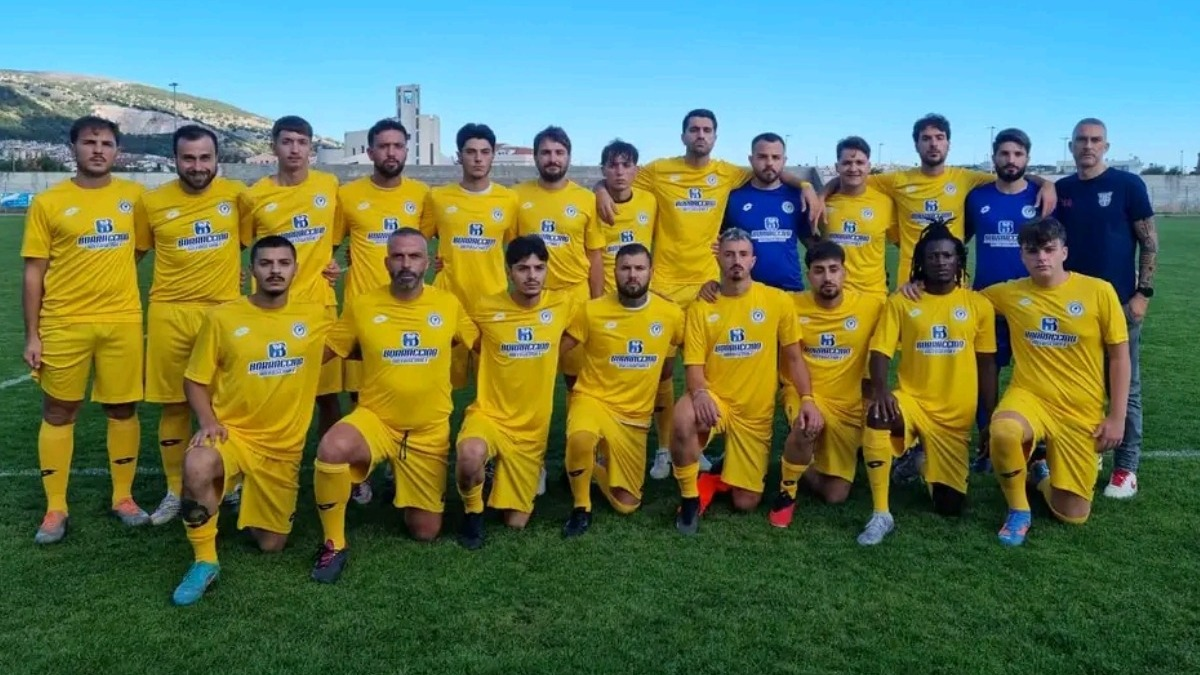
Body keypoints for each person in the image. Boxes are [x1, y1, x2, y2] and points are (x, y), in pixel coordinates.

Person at [594, 109, 821, 481]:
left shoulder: (728, 172)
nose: (700, 135)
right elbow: (620, 176)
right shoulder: (659, 170)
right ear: (683, 135)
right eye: (694, 129)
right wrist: (600, 188)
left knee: (711, 369)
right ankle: (665, 449)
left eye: (707, 130)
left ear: (715, 136)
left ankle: (699, 440)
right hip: (664, 286)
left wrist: (807, 186)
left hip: (707, 287)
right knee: (661, 370)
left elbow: (774, 170)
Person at [171, 235, 332, 606]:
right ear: (251, 271)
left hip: (283, 449)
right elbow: (194, 380)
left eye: (283, 263)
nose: (275, 270)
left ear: (295, 269)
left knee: (271, 545)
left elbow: (359, 339)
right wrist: (208, 420)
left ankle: (240, 496)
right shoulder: (223, 317)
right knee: (197, 463)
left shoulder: (316, 316)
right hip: (234, 435)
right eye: (266, 264)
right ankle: (204, 560)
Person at [310, 228, 477, 581]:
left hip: (428, 429)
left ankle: (404, 483)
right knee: (332, 446)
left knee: (425, 531)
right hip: (377, 421)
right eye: (398, 256)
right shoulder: (362, 304)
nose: (406, 264)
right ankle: (334, 543)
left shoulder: (447, 304)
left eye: (414, 256)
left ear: (428, 263)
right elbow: (327, 351)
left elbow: (483, 345)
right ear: (386, 262)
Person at [22, 116, 149, 544]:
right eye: (90, 142)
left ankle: (123, 498)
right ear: (73, 148)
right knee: (60, 411)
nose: (98, 150)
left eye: (107, 143)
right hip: (63, 322)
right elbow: (33, 272)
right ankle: (55, 508)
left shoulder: (135, 197)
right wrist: (33, 334)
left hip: (123, 322)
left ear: (118, 150)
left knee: (122, 409)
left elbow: (150, 246)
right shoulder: (49, 202)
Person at [982, 218, 1130, 545]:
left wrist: (1117, 417)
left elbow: (1119, 357)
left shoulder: (1099, 291)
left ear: (1064, 251)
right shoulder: (1009, 293)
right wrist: (918, 286)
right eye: (1032, 251)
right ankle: (1018, 509)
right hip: (1029, 396)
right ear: (1022, 255)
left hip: (1080, 408)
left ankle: (1041, 475)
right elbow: (959, 301)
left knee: (1072, 513)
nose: (1042, 258)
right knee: (1004, 431)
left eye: (1049, 249)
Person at [670, 228, 822, 535]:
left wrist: (807, 398)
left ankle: (715, 477)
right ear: (719, 258)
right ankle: (689, 498)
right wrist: (699, 393)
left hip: (754, 412)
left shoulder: (777, 301)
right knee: (682, 417)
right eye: (728, 254)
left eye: (742, 254)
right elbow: (694, 364)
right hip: (715, 401)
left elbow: (793, 358)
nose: (736, 261)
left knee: (746, 502)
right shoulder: (701, 308)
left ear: (753, 260)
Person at [857, 222, 997, 546]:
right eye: (933, 256)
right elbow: (880, 351)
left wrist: (987, 419)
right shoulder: (902, 302)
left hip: (955, 416)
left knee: (950, 507)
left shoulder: (978, 306)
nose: (941, 262)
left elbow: (987, 364)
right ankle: (881, 513)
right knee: (878, 414)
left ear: (959, 260)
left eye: (948, 255)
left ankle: (918, 462)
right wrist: (879, 389)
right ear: (922, 260)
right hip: (913, 401)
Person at [134, 124, 246, 526]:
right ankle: (173, 487)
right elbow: (133, 254)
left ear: (217, 159)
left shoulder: (236, 197)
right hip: (170, 311)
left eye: (205, 158)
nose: (198, 166)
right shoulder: (151, 202)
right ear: (174, 159)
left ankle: (229, 484)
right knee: (174, 403)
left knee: (225, 402)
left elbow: (255, 244)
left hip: (224, 312)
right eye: (189, 158)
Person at [1052, 117, 1157, 499]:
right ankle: (1087, 451)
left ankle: (1126, 469)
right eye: (1081, 140)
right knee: (1078, 385)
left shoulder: (1128, 185)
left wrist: (1143, 293)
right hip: (1073, 310)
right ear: (1071, 146)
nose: (1088, 146)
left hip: (1119, 307)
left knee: (1125, 389)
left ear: (1106, 147)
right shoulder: (1062, 189)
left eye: (1096, 140)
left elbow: (1149, 241)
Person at [453, 235, 580, 550]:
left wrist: (551, 354)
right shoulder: (486, 306)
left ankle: (507, 470)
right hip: (490, 414)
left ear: (547, 269)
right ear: (509, 272)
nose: (532, 275)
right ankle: (472, 514)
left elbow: (581, 330)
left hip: (531, 427)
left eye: (539, 268)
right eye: (523, 268)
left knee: (515, 523)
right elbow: (470, 337)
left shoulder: (563, 304)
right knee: (469, 456)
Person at [823, 113, 1055, 278]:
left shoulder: (966, 178)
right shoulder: (896, 180)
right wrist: (820, 193)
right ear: (916, 145)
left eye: (939, 137)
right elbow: (851, 177)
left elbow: (1010, 175)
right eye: (926, 138)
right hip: (911, 277)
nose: (933, 144)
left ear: (949, 144)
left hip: (953, 275)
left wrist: (1045, 183)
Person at [560, 243, 684, 537]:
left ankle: (588, 467)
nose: (632, 275)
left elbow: (694, 351)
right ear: (613, 272)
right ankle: (581, 507)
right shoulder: (591, 311)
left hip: (633, 418)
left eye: (639, 268)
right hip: (593, 400)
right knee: (580, 438)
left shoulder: (671, 314)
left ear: (651, 272)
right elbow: (555, 349)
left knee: (626, 504)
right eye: (625, 268)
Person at [238, 115, 344, 437]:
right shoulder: (255, 196)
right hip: (271, 309)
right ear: (274, 146)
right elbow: (239, 243)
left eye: (302, 142)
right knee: (266, 391)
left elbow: (336, 235)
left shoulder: (328, 186)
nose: (295, 149)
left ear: (311, 148)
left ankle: (334, 466)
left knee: (326, 396)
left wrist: (332, 262)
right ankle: (259, 459)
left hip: (319, 305)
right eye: (287, 142)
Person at [767, 241, 885, 527]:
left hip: (847, 403)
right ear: (809, 276)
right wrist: (712, 285)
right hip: (804, 393)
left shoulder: (872, 306)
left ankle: (799, 458)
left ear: (845, 273)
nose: (827, 277)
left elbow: (907, 311)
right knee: (806, 426)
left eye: (834, 269)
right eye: (819, 271)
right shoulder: (789, 304)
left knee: (835, 495)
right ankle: (787, 490)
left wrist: (914, 285)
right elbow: (744, 299)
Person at [419, 123, 519, 390]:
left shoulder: (508, 199)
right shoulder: (438, 197)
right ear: (459, 155)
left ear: (493, 155)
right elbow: (417, 241)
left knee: (495, 386)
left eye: (485, 152)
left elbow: (518, 249)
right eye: (471, 151)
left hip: (493, 302)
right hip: (449, 301)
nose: (478, 158)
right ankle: (436, 433)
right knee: (439, 385)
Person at [962, 128, 1040, 468]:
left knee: (1034, 373)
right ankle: (987, 441)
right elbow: (957, 242)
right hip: (987, 302)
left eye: (1018, 154)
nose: (1011, 160)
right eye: (1005, 154)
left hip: (1031, 304)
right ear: (994, 157)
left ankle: (1036, 444)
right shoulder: (977, 197)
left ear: (1027, 159)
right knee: (986, 372)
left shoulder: (1041, 196)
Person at [336, 118, 430, 399]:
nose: (391, 153)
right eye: (384, 146)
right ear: (370, 152)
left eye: (398, 146)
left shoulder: (422, 194)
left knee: (409, 390)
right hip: (363, 307)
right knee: (361, 394)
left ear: (406, 150)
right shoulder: (347, 195)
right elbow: (328, 243)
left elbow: (425, 245)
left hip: (408, 308)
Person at [718, 133, 811, 294]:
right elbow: (718, 244)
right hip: (745, 292)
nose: (769, 163)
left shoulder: (797, 197)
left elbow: (812, 244)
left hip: (790, 292)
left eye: (776, 157)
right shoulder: (733, 198)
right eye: (762, 157)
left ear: (784, 161)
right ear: (751, 159)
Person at [821, 136, 896, 298]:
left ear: (869, 167)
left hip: (873, 296)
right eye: (847, 163)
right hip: (833, 296)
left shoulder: (885, 203)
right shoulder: (822, 204)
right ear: (837, 167)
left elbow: (901, 244)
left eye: (860, 163)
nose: (853, 168)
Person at [595, 140, 656, 296]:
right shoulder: (591, 205)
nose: (620, 172)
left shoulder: (650, 201)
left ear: (636, 170)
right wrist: (599, 189)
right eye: (613, 165)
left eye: (626, 165)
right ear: (603, 170)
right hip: (607, 294)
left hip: (643, 293)